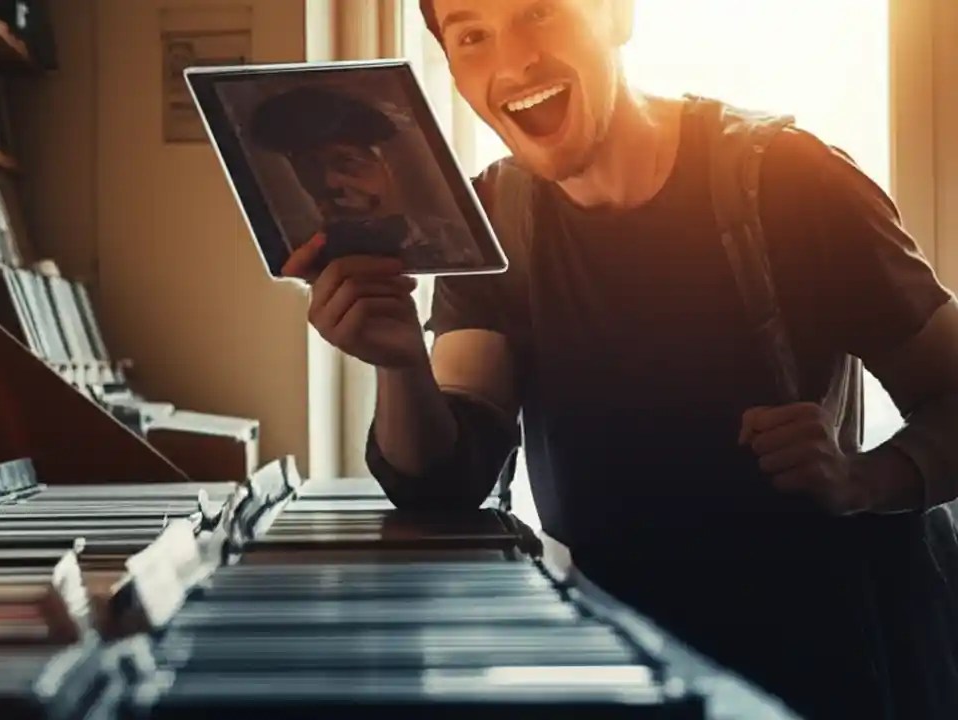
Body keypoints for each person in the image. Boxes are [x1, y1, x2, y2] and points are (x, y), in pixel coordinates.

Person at [280, 1, 958, 718]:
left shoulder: (792, 180)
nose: (513, 62)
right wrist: (399, 363)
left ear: (616, 14)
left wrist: (863, 478)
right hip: (621, 669)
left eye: (538, 12)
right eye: (472, 34)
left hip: (827, 671)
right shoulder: (496, 216)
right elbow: (446, 479)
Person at [247, 84, 479, 269]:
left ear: (388, 164)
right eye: (310, 168)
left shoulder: (455, 247)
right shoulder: (297, 254)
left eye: (348, 163)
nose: (330, 183)